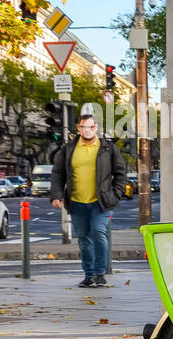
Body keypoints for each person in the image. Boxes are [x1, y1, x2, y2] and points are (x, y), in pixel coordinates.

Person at [50, 113, 127, 289]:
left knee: (98, 232)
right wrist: (56, 195)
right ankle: (89, 275)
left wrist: (116, 194)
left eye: (91, 127)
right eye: (84, 127)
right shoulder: (69, 149)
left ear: (96, 128)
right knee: (84, 239)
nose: (88, 130)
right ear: (79, 128)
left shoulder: (107, 148)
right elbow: (58, 173)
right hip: (76, 202)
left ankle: (100, 273)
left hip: (101, 202)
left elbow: (120, 172)